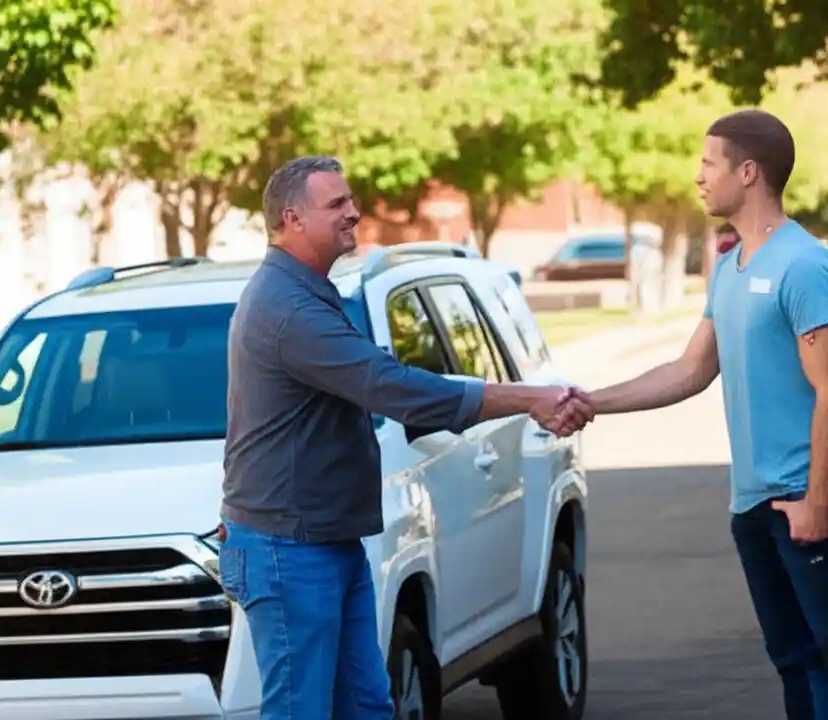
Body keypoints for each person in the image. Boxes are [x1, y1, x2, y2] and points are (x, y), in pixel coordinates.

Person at [217, 155, 593, 719]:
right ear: (292, 219)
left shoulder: (310, 293)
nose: (355, 213)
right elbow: (394, 388)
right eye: (337, 204)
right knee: (301, 710)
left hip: (325, 540)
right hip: (288, 549)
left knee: (367, 705)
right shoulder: (287, 308)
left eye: (350, 200)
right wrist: (528, 399)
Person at [580, 109, 828, 720]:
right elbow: (690, 370)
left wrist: (817, 504)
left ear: (748, 172)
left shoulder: (804, 266)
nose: (697, 176)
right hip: (752, 506)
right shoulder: (731, 266)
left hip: (801, 499)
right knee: (793, 660)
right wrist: (589, 403)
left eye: (707, 163)